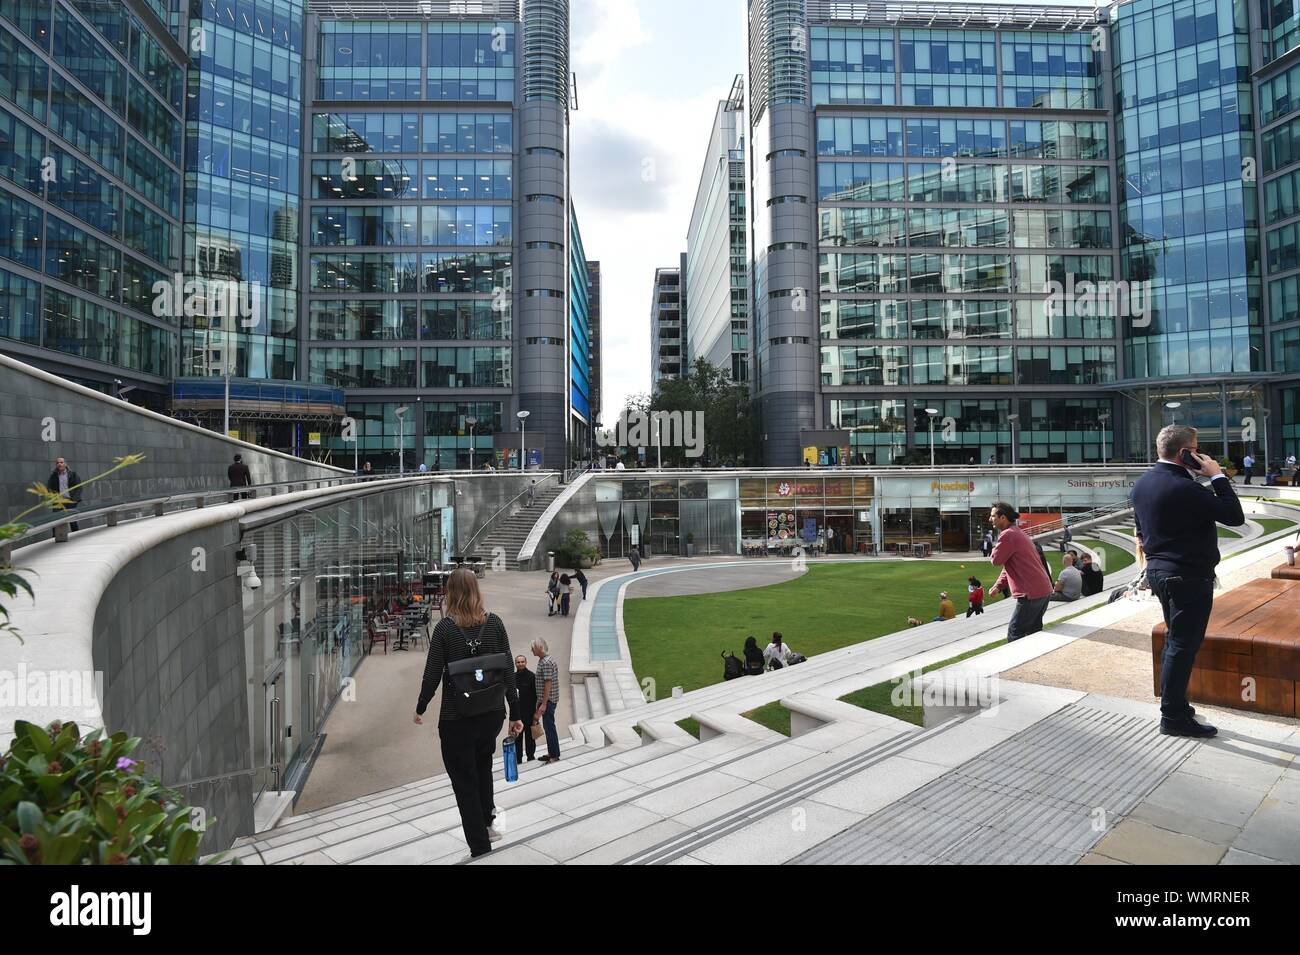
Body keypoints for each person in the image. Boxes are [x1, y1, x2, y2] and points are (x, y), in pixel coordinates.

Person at [1133, 425, 1244, 738]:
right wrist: (1217, 476)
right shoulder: (1187, 487)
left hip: (1160, 573)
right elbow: (1234, 516)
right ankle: (1173, 716)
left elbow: (1140, 531)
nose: (1200, 455)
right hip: (1187, 576)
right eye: (1196, 449)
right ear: (1184, 453)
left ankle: (1178, 708)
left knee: (1175, 642)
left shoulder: (1143, 484)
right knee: (1182, 646)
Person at [413, 568, 522, 859]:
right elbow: (508, 669)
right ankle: (488, 824)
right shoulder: (495, 623)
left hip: (456, 718)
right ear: (476, 591)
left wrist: (421, 706)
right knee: (483, 767)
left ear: (451, 592)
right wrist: (515, 713)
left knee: (464, 782)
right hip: (492, 714)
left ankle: (480, 847)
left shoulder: (445, 629)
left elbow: (432, 673)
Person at [987, 501, 1054, 641]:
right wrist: (999, 585)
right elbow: (1010, 565)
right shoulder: (1018, 533)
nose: (990, 519)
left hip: (1031, 594)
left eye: (993, 516)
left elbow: (995, 560)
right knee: (1033, 634)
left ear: (1003, 517)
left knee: (1014, 634)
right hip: (1042, 591)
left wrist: (995, 542)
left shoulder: (1008, 535)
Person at [531, 638, 561, 763]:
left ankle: (554, 755)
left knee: (549, 728)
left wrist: (543, 704)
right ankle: (551, 752)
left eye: (533, 647)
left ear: (539, 648)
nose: (531, 649)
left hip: (548, 701)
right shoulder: (543, 660)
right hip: (546, 700)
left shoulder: (546, 662)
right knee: (548, 727)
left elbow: (547, 684)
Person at [45, 457, 83, 534]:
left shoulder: (73, 474)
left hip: (70, 501)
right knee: (55, 520)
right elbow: (49, 488)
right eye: (57, 463)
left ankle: (76, 535)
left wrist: (74, 500)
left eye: (61, 462)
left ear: (65, 464)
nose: (59, 464)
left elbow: (79, 487)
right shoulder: (53, 476)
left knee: (72, 520)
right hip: (58, 502)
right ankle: (56, 537)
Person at [513, 655, 538, 763]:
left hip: (530, 713)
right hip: (517, 714)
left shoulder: (532, 676)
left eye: (522, 661)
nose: (520, 664)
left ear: (526, 662)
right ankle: (518, 760)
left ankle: (531, 757)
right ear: (515, 664)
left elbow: (537, 696)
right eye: (518, 662)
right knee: (517, 739)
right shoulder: (512, 678)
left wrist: (536, 714)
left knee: (530, 738)